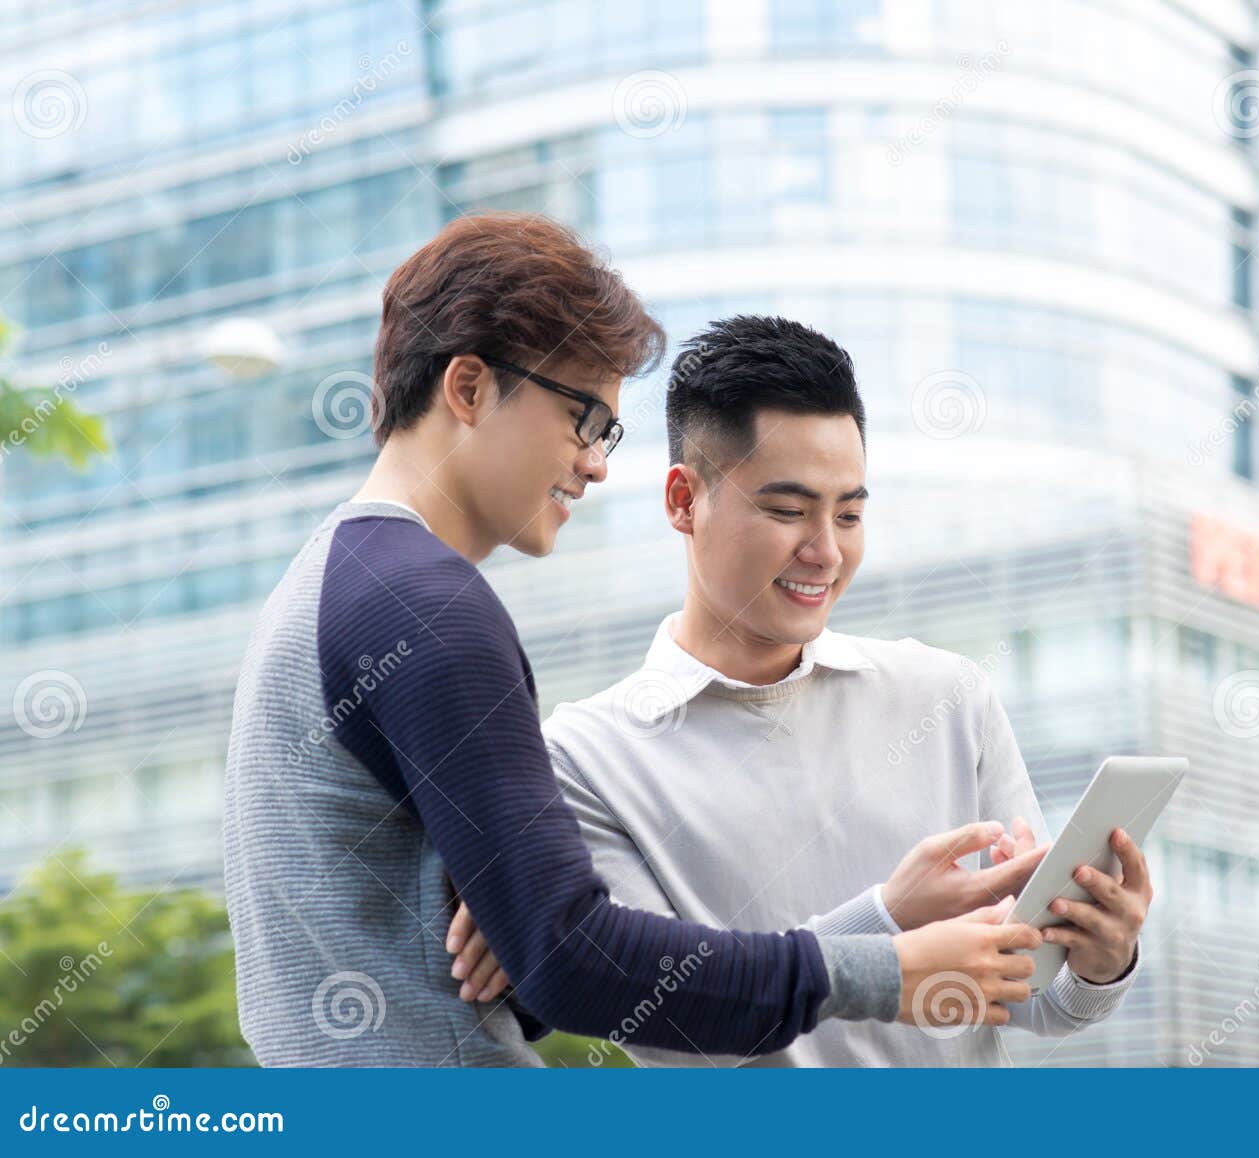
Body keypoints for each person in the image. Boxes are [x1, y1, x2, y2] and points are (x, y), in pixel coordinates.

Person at [220, 215, 1042, 1067]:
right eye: (583, 419)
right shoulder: (429, 607)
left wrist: (528, 928)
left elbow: (536, 961)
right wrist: (888, 969)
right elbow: (573, 959)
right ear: (467, 388)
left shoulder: (330, 584)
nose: (597, 463)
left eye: (607, 433)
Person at [447, 315, 1151, 1066]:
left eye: (849, 513)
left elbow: (1031, 992)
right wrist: (882, 923)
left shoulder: (948, 697)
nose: (825, 551)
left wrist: (1102, 959)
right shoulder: (584, 758)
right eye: (787, 511)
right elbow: (674, 1024)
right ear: (684, 501)